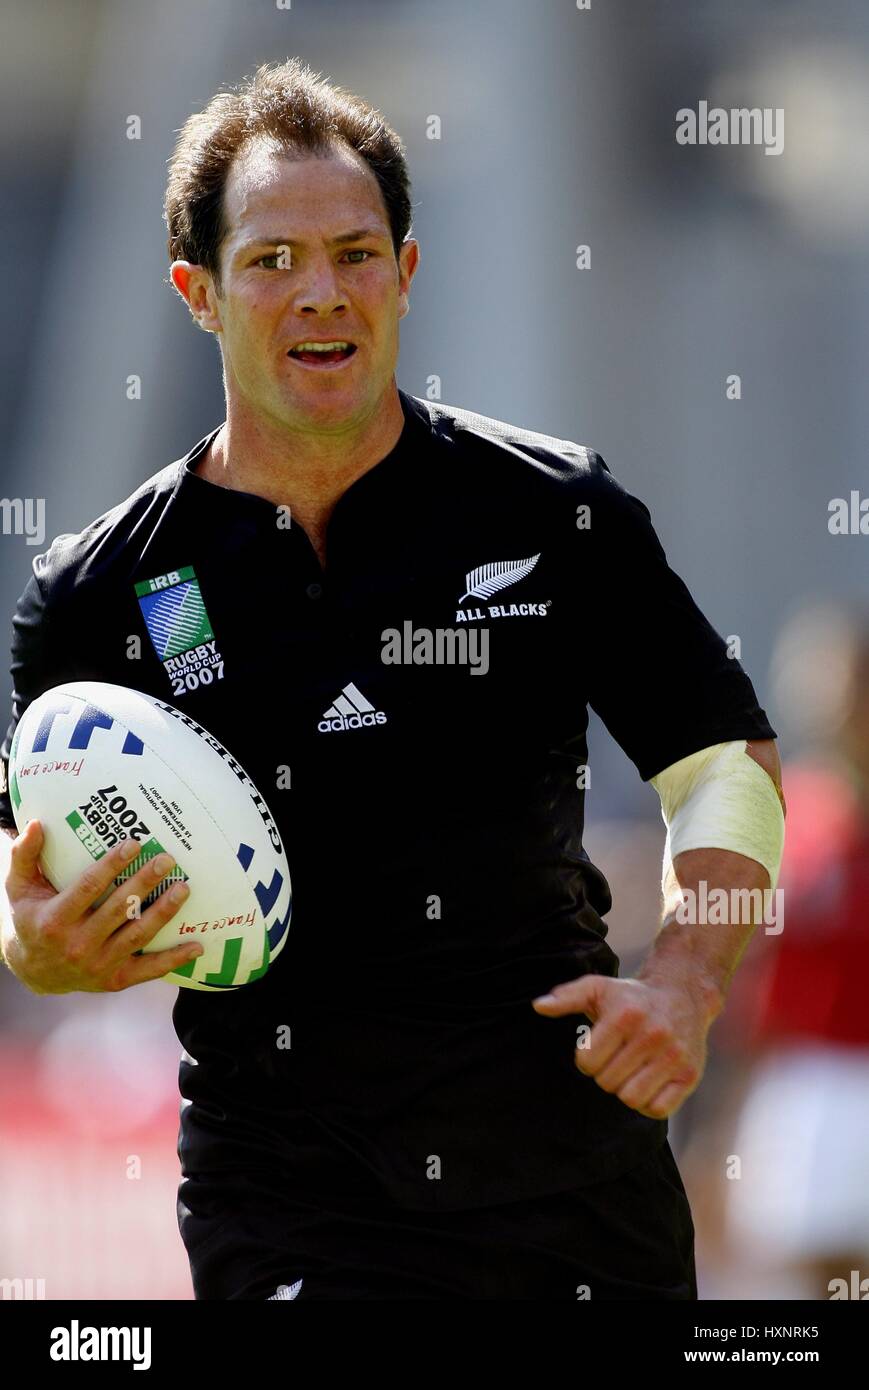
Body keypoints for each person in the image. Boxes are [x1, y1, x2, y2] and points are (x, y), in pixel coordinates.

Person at [0, 57, 785, 1301]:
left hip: (570, 1176)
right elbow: (29, 893)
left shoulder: (557, 510)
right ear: (195, 294)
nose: (322, 293)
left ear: (406, 274)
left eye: (357, 252)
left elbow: (722, 768)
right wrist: (47, 951)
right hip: (286, 1193)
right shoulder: (95, 592)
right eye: (270, 260)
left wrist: (686, 982)